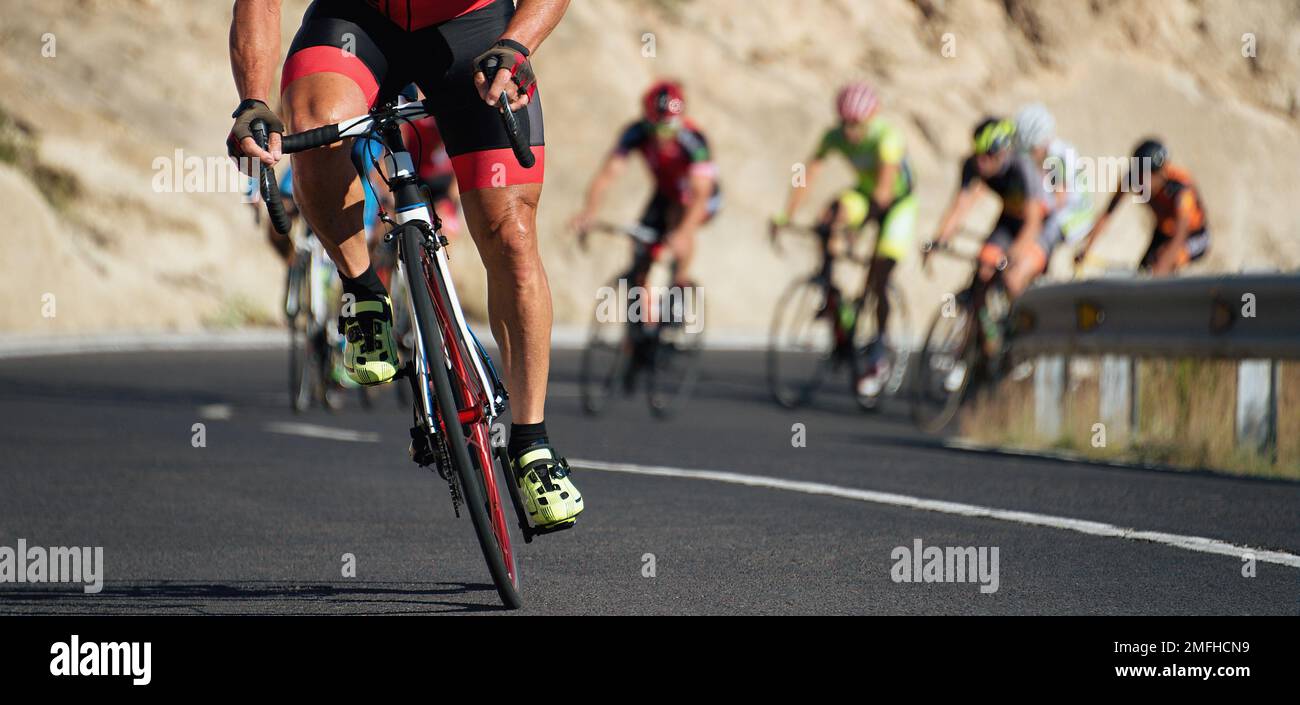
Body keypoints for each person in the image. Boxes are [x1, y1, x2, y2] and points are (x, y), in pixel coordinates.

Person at [227, 0, 582, 530]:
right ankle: (362, 288)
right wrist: (253, 101)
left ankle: (531, 443)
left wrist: (517, 43)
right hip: (355, 21)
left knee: (511, 233)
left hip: (472, 31)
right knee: (317, 126)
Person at [771, 81, 919, 397]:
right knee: (829, 218)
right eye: (846, 124)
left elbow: (883, 192)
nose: (851, 132)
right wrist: (787, 215)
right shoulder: (834, 136)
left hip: (897, 203)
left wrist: (855, 231)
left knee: (878, 276)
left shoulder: (886, 138)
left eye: (857, 125)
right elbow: (808, 174)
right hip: (866, 194)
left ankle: (879, 349)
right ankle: (830, 293)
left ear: (871, 119)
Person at [570, 80, 721, 286]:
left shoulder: (694, 141)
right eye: (654, 128)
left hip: (697, 196)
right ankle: (643, 293)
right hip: (666, 190)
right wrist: (589, 212)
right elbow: (606, 175)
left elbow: (701, 194)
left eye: (668, 129)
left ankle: (680, 283)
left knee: (678, 225)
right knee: (641, 239)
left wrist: (683, 234)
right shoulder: (636, 132)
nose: (660, 137)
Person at [929, 117, 1055, 355]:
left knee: (1012, 278)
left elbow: (1033, 221)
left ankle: (1026, 338)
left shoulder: (1022, 168)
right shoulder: (972, 165)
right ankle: (985, 341)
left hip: (1040, 224)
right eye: (977, 154)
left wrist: (1013, 255)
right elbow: (960, 205)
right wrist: (939, 239)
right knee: (982, 269)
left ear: (1002, 153)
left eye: (987, 155)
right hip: (1008, 222)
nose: (980, 161)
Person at [1074, 139, 1209, 276]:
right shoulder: (1132, 178)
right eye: (1139, 175)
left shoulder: (1181, 190)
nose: (1141, 183)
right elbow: (1107, 214)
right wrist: (1086, 249)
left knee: (1165, 262)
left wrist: (1160, 270)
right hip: (1163, 231)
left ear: (1160, 173)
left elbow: (1180, 235)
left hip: (1192, 234)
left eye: (1147, 176)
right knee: (1143, 272)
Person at [1013, 103, 1096, 261]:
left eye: (1031, 150)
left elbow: (1059, 199)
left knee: (1028, 253)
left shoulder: (1057, 156)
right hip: (1056, 211)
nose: (1028, 156)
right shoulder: (1041, 152)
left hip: (1071, 216)